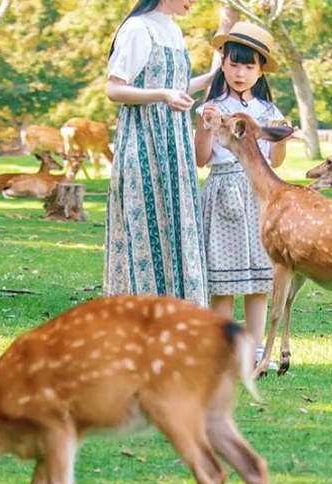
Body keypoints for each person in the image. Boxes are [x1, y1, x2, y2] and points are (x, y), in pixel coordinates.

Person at [103, 0, 222, 305]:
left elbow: (175, 87)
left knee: (175, 228)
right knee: (147, 227)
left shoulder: (172, 29)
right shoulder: (138, 28)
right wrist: (162, 95)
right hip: (144, 144)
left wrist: (210, 79)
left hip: (174, 146)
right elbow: (114, 89)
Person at [193, 20, 288, 371]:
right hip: (222, 192)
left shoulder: (269, 112)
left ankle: (257, 349)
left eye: (249, 67)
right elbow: (201, 159)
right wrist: (207, 127)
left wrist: (282, 138)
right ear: (223, 64)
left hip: (258, 195)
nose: (240, 73)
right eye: (234, 64)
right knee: (223, 281)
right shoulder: (211, 107)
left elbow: (276, 160)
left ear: (261, 71)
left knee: (259, 279)